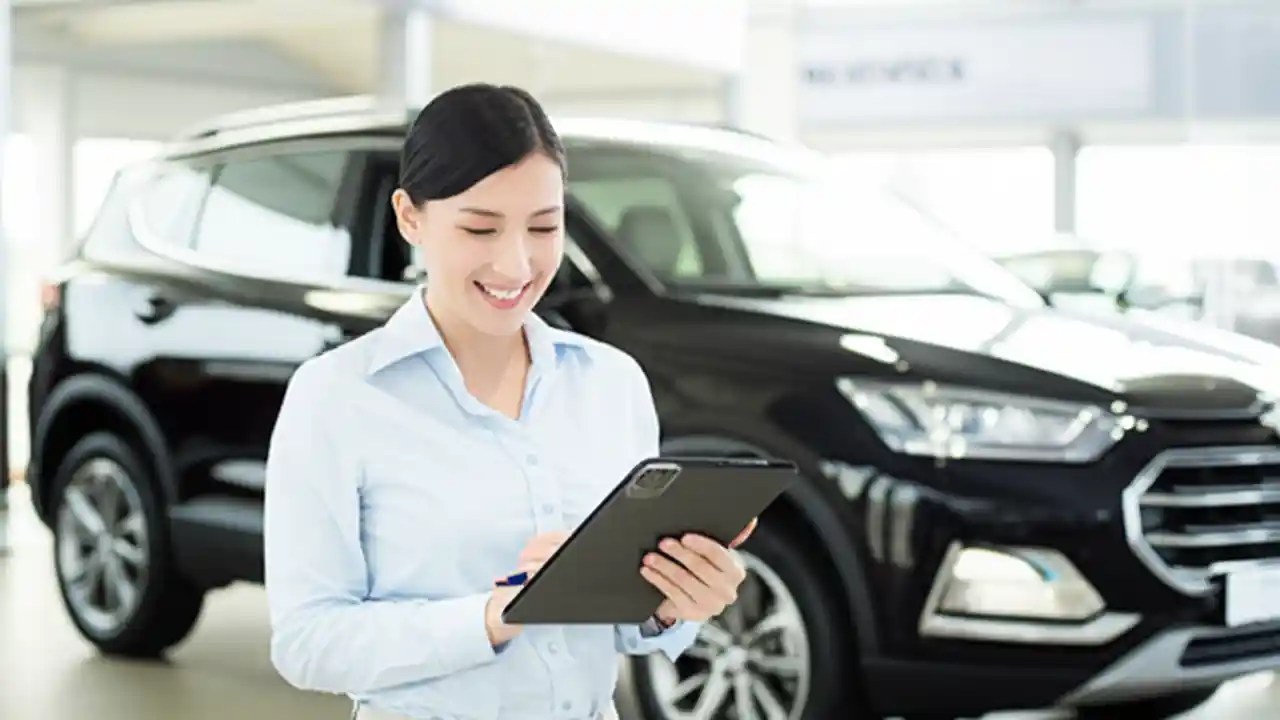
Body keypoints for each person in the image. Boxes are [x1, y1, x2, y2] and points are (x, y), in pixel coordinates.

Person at [263, 83, 756, 720]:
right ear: (410, 217)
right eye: (480, 228)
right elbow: (307, 643)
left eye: (544, 227)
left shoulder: (611, 383)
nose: (516, 264)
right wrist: (493, 617)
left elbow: (628, 626)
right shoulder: (337, 396)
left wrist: (671, 602)